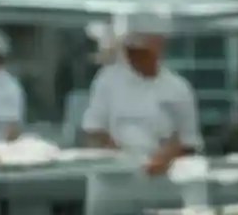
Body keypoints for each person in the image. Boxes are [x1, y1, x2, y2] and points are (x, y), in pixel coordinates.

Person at [81, 14, 201, 176]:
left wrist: (167, 156)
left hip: (162, 183)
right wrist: (119, 157)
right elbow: (94, 130)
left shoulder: (178, 88)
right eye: (132, 50)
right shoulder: (107, 81)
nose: (135, 56)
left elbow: (189, 143)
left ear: (160, 47)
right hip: (113, 182)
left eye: (144, 50)